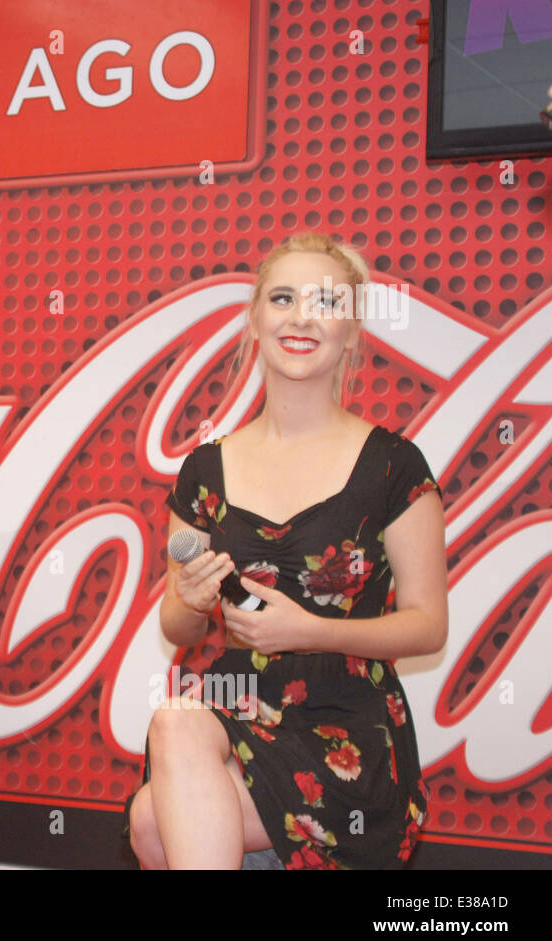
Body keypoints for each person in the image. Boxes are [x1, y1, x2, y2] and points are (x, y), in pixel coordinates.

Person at [125, 233, 447, 869]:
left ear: (350, 333)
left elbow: (428, 626)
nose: (301, 316)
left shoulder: (393, 466)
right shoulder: (203, 471)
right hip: (237, 699)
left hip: (348, 716)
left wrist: (307, 628)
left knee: (151, 821)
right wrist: (189, 600)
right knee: (174, 724)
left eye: (325, 302)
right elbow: (178, 624)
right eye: (283, 298)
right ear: (255, 319)